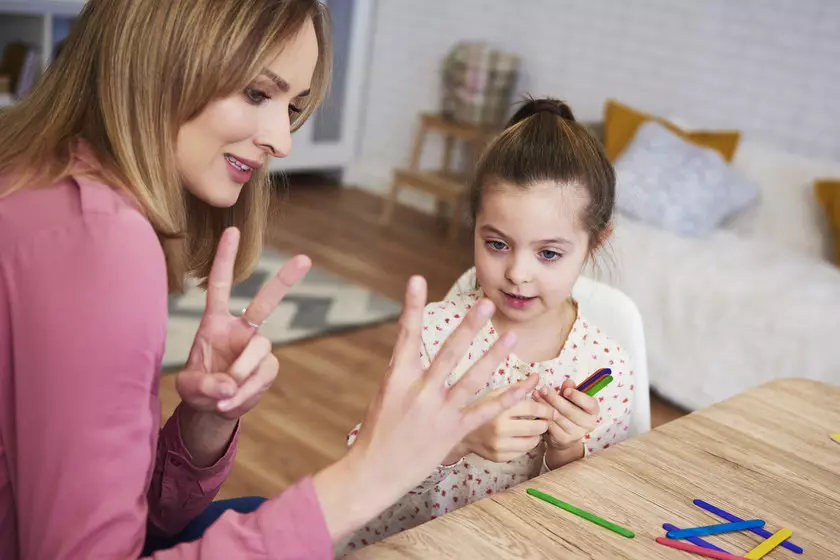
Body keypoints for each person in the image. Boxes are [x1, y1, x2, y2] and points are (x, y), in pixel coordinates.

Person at [0, 1, 541, 558]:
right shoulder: (99, 242)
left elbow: (136, 522)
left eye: (292, 106)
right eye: (258, 93)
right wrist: (367, 477)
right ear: (160, 57)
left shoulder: (38, 177)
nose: (282, 141)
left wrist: (204, 425)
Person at [337, 98, 637, 555]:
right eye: (497, 244)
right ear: (474, 224)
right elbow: (362, 463)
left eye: (548, 254)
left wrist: (566, 453)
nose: (517, 272)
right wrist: (461, 437)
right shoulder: (439, 333)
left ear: (595, 243)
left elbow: (592, 517)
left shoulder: (606, 367)